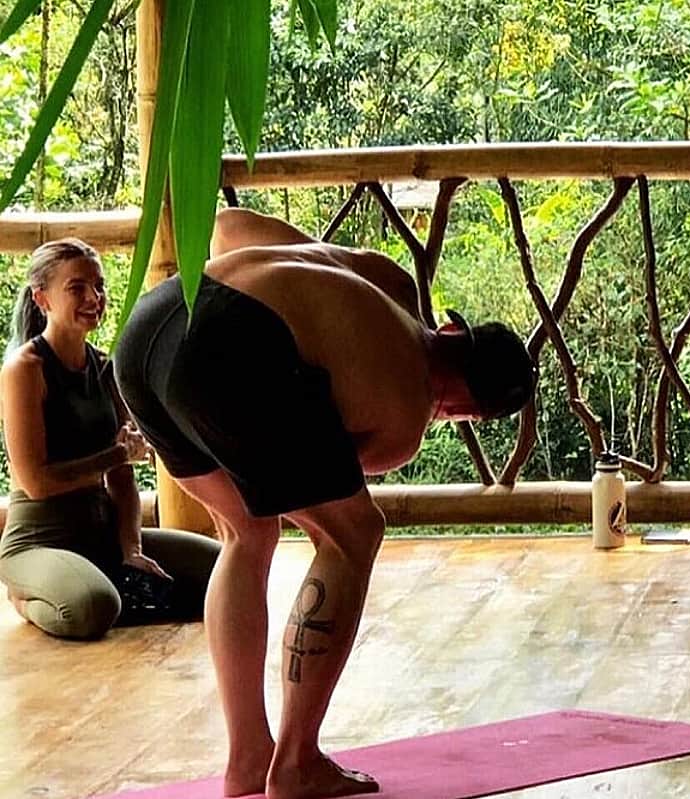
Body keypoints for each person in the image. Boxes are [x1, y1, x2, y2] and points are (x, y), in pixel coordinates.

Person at [113, 208, 537, 799]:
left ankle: (247, 758)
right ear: (467, 409)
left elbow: (229, 224)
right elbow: (318, 478)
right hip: (229, 348)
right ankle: (296, 763)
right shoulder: (407, 416)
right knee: (353, 534)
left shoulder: (386, 279)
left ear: (450, 329)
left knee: (246, 532)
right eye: (460, 412)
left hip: (149, 329)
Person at [0, 239, 220, 640]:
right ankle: (27, 596)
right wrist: (116, 455)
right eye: (77, 288)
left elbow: (123, 480)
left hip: (100, 538)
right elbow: (36, 482)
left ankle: (105, 579)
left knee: (220, 571)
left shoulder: (107, 366)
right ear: (42, 298)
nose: (93, 297)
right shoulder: (24, 370)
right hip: (40, 543)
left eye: (98, 286)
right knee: (92, 608)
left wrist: (130, 550)